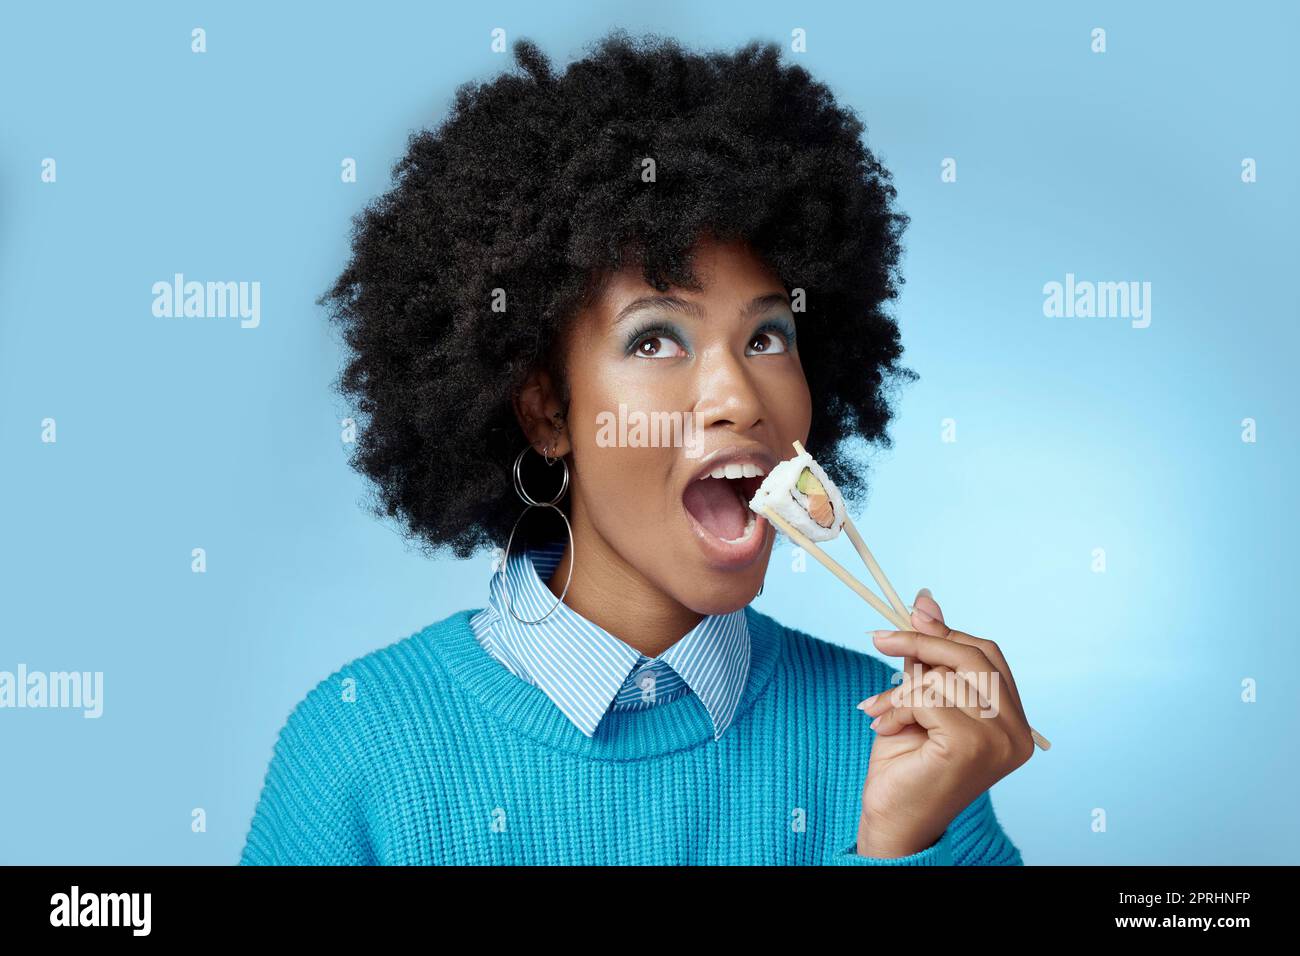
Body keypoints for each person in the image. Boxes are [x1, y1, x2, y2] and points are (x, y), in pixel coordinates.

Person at [239, 29, 1033, 865]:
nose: (738, 396)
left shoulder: (903, 742)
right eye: (655, 340)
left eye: (768, 336)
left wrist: (906, 844)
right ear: (548, 411)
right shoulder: (356, 741)